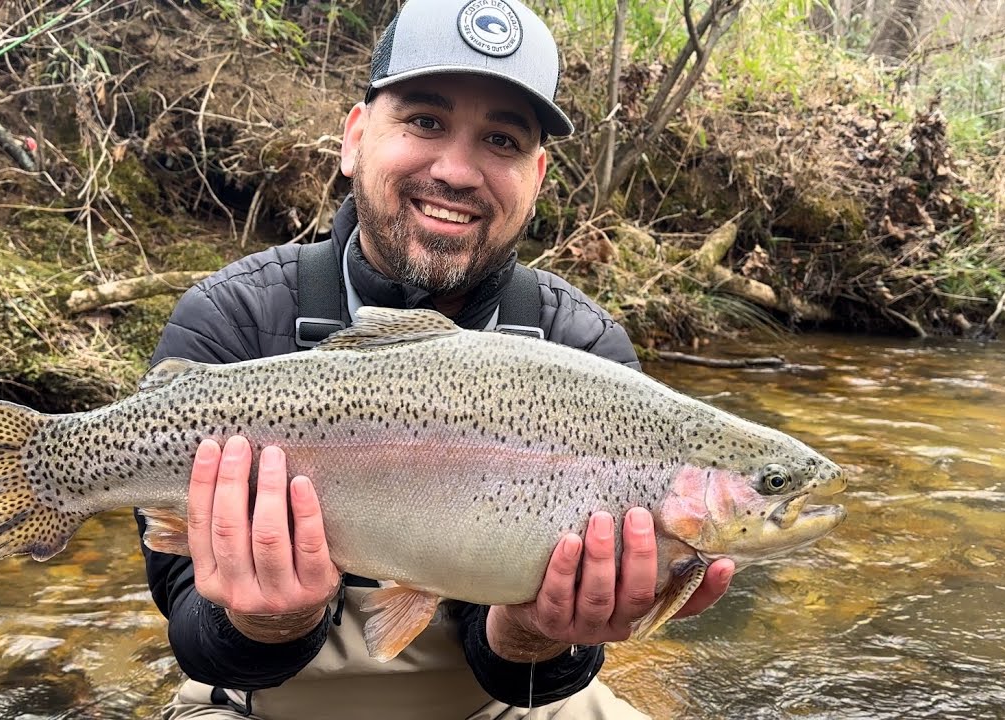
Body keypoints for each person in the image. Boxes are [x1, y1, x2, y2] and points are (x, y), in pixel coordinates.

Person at [138, 1, 734, 717]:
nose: (456, 170)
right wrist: (272, 618)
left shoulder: (584, 351)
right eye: (425, 122)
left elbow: (539, 677)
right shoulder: (231, 320)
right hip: (258, 702)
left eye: (503, 141)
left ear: (537, 176)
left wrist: (533, 633)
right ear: (354, 138)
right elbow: (193, 637)